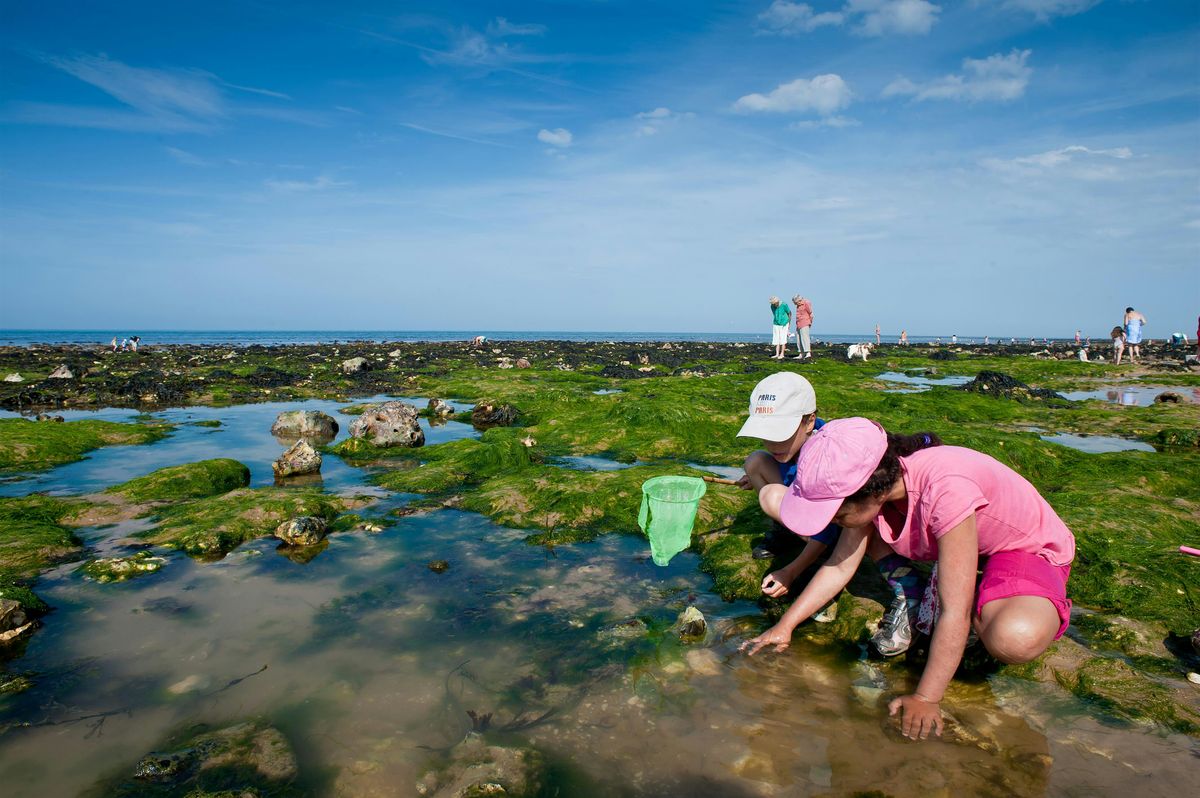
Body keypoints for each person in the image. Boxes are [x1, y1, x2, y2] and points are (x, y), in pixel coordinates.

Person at [742, 418, 1076, 740]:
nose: (834, 521)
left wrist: (927, 698)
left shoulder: (946, 492)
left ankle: (982, 595)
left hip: (1022, 549)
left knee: (1013, 638)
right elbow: (840, 565)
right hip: (962, 544)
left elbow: (953, 610)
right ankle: (932, 588)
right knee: (862, 533)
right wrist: (785, 626)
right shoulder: (876, 483)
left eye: (838, 513)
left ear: (868, 492)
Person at [735, 376, 925, 655]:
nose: (773, 443)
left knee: (777, 498)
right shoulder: (796, 447)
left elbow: (827, 530)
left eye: (781, 433)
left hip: (849, 521)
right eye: (766, 433)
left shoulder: (831, 456)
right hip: (824, 515)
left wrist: (792, 570)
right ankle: (788, 532)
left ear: (809, 421)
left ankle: (907, 586)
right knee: (755, 461)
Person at [793, 294, 813, 360]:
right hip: (798, 323)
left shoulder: (806, 302)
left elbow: (811, 313)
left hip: (805, 322)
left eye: (795, 302)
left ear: (799, 300)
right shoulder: (798, 306)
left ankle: (808, 353)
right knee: (799, 339)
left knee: (805, 338)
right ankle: (801, 353)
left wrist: (810, 323)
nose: (795, 304)